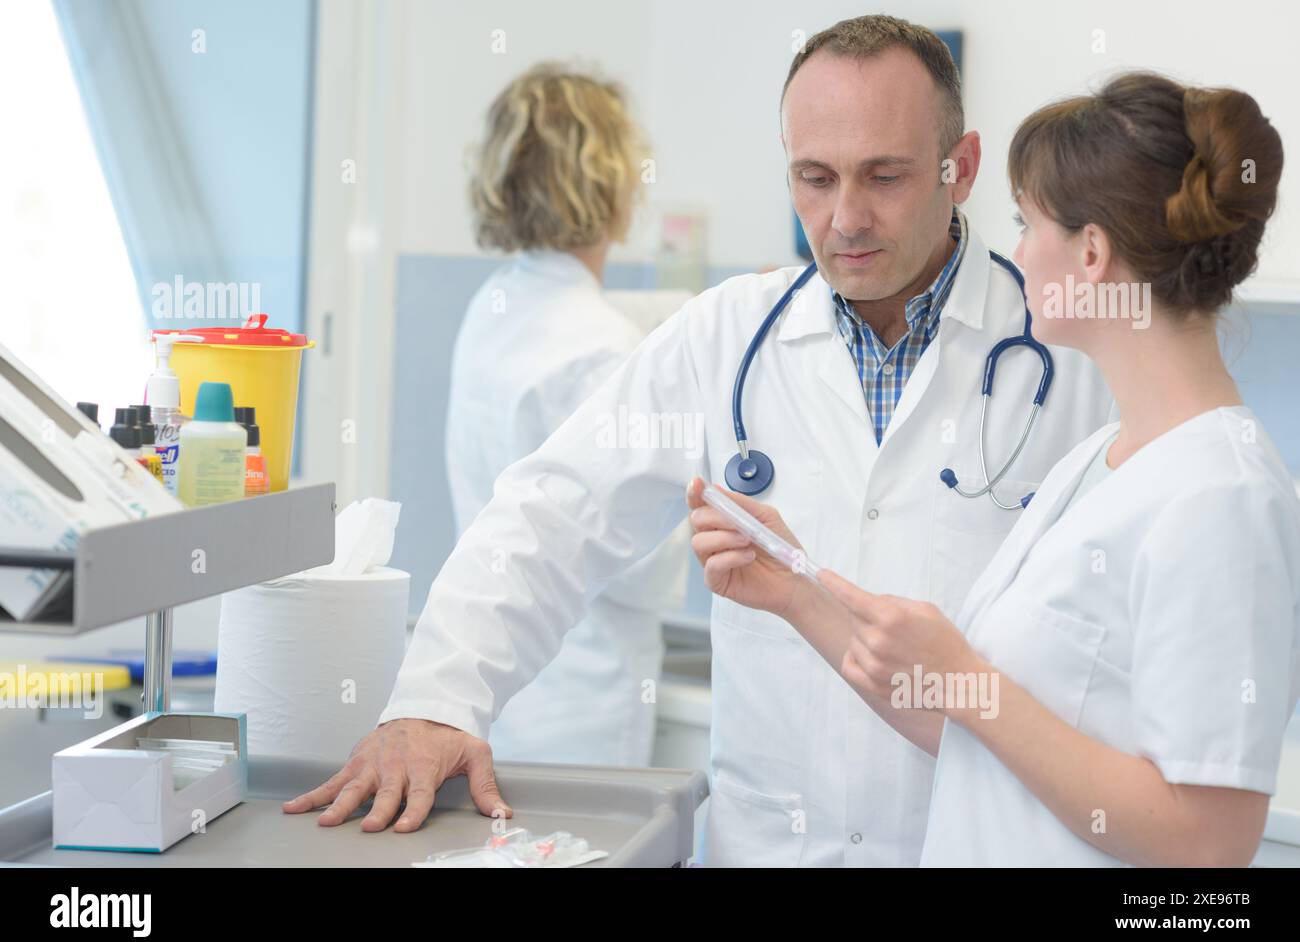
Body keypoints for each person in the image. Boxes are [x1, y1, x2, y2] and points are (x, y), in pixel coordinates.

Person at [284, 15, 1114, 867]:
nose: (845, 217)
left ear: (960, 168)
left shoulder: (1072, 354)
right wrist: (436, 700)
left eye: (885, 176)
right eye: (814, 177)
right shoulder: (726, 337)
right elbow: (551, 513)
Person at [689, 72, 1298, 866]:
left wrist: (968, 680)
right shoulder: (1100, 461)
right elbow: (974, 726)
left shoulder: (1224, 497)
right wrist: (793, 594)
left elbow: (1209, 842)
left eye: (1026, 222)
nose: (1014, 251)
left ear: (1089, 252)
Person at [443, 64, 687, 766]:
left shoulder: (497, 307)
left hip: (496, 675)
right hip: (584, 693)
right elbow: (636, 563)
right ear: (611, 180)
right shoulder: (598, 349)